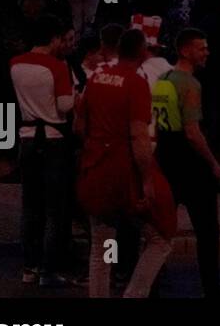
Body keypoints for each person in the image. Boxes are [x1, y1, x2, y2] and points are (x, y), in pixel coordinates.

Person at [75, 28, 175, 298]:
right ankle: (134, 294)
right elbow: (138, 135)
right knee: (160, 238)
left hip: (96, 166)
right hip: (123, 170)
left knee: (101, 247)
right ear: (142, 51)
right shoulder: (135, 82)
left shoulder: (96, 78)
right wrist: (147, 181)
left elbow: (79, 125)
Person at [151, 28, 220, 297]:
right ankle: (211, 289)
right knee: (207, 231)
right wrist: (214, 164)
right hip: (190, 163)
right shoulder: (191, 84)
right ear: (185, 50)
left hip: (165, 157)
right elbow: (193, 132)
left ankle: (151, 285)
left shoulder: (163, 78)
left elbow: (159, 126)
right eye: (201, 48)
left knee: (160, 230)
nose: (206, 52)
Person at [9, 15, 76, 286]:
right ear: (54, 38)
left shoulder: (15, 64)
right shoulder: (57, 67)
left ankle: (29, 266)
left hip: (26, 137)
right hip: (53, 138)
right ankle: (48, 271)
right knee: (53, 209)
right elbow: (65, 106)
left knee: (30, 205)